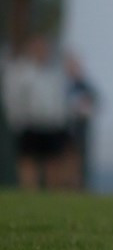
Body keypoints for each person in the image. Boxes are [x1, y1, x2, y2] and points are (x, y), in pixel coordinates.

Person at [4, 35, 71, 190]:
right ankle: (30, 192)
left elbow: (60, 99)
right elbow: (14, 98)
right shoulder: (21, 72)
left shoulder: (55, 73)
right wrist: (16, 120)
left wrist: (61, 120)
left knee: (53, 162)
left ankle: (52, 194)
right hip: (30, 123)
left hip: (51, 124)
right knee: (28, 161)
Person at [62, 51, 100, 191]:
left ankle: (79, 187)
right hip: (62, 128)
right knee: (64, 159)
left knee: (80, 160)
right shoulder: (61, 84)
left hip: (80, 128)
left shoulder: (85, 86)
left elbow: (95, 102)